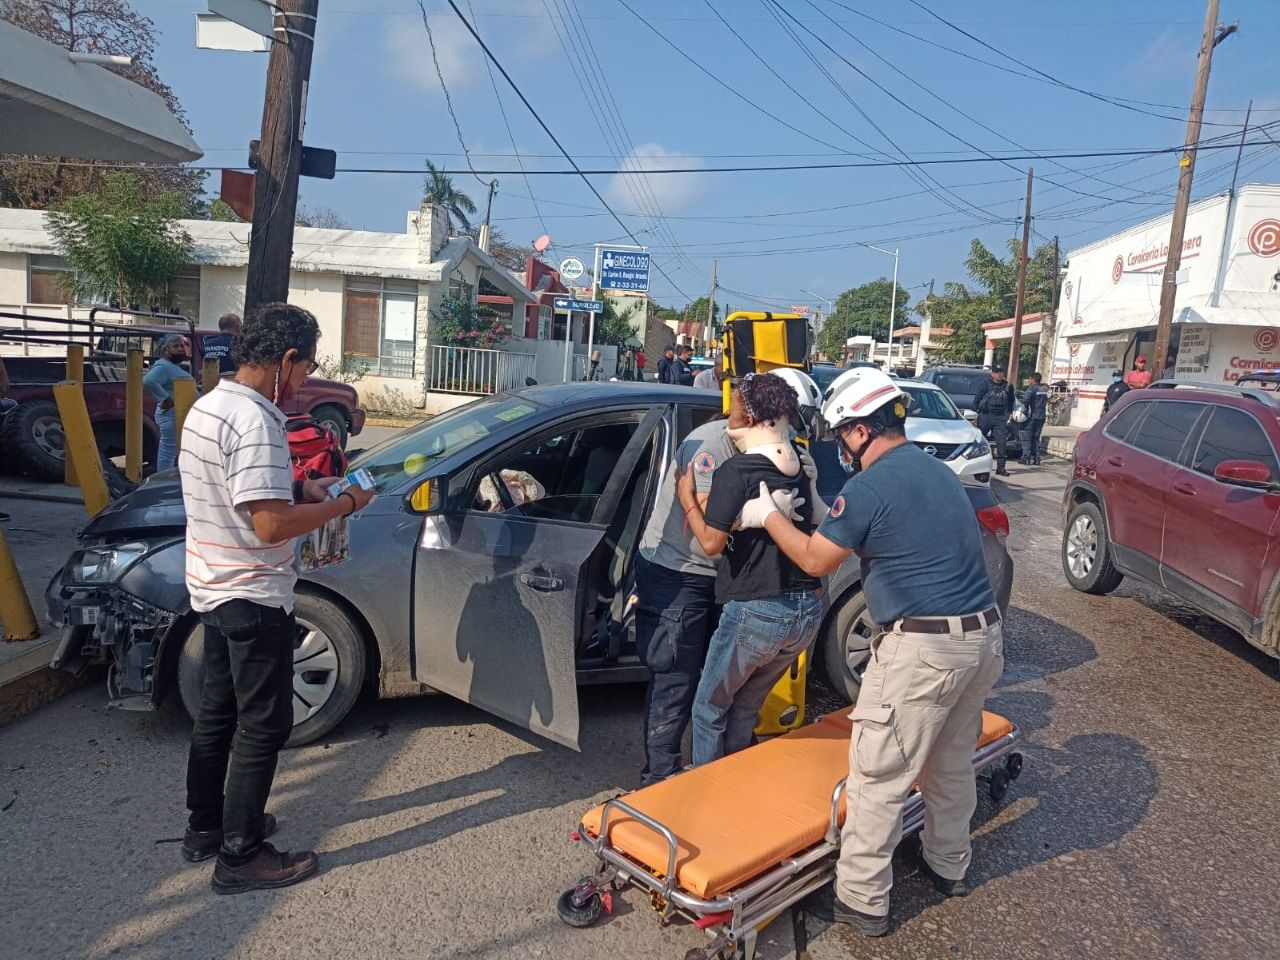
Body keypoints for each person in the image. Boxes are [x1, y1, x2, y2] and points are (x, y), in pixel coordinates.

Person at [740, 367, 1004, 937]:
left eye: (842, 437)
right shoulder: (938, 473)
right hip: (983, 639)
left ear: (861, 430)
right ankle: (947, 865)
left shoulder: (869, 485)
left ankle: (861, 901)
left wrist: (769, 517)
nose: (843, 449)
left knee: (877, 776)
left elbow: (814, 560)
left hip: (924, 650)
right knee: (950, 762)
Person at [179, 302, 376, 894]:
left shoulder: (209, 406)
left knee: (217, 713)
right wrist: (342, 503)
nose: (305, 380)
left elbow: (242, 491)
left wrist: (299, 486)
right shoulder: (259, 419)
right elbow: (270, 527)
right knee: (265, 723)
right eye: (306, 366)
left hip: (212, 586)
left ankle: (206, 828)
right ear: (287, 360)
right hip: (252, 591)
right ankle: (241, 856)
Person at [677, 373, 825, 764]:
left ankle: (708, 795)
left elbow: (710, 544)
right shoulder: (801, 469)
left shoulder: (736, 471)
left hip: (756, 610)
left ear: (752, 416)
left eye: (736, 409)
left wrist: (687, 499)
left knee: (708, 710)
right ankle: (735, 783)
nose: (730, 416)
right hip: (806, 611)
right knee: (745, 707)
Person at [632, 389, 736, 784]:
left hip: (718, 575)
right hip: (678, 574)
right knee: (675, 679)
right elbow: (711, 530)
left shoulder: (777, 448)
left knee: (717, 680)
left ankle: (713, 770)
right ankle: (658, 780)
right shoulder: (712, 446)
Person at [144, 334, 195, 472]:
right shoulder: (164, 366)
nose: (180, 349)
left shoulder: (173, 367)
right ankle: (162, 481)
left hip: (178, 415)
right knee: (168, 452)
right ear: (165, 350)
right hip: (171, 416)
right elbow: (148, 381)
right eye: (175, 346)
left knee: (173, 451)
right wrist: (165, 398)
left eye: (181, 346)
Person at [973, 363, 1015, 476]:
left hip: (1000, 417)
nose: (999, 374)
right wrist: (974, 415)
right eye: (996, 372)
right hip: (986, 415)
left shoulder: (1008, 386)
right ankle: (977, 467)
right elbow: (977, 399)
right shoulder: (985, 384)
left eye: (1001, 372)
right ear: (992, 373)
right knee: (979, 441)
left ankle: (1001, 468)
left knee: (1002, 443)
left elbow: (1011, 401)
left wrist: (1009, 414)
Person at [1017, 372, 1048, 466]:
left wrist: (1024, 411)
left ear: (1032, 379)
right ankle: (1036, 458)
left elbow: (1026, 400)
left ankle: (1026, 458)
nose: (1029, 380)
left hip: (1032, 417)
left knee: (1026, 436)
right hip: (1041, 416)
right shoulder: (1043, 389)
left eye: (1030, 379)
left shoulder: (1031, 388)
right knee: (1036, 437)